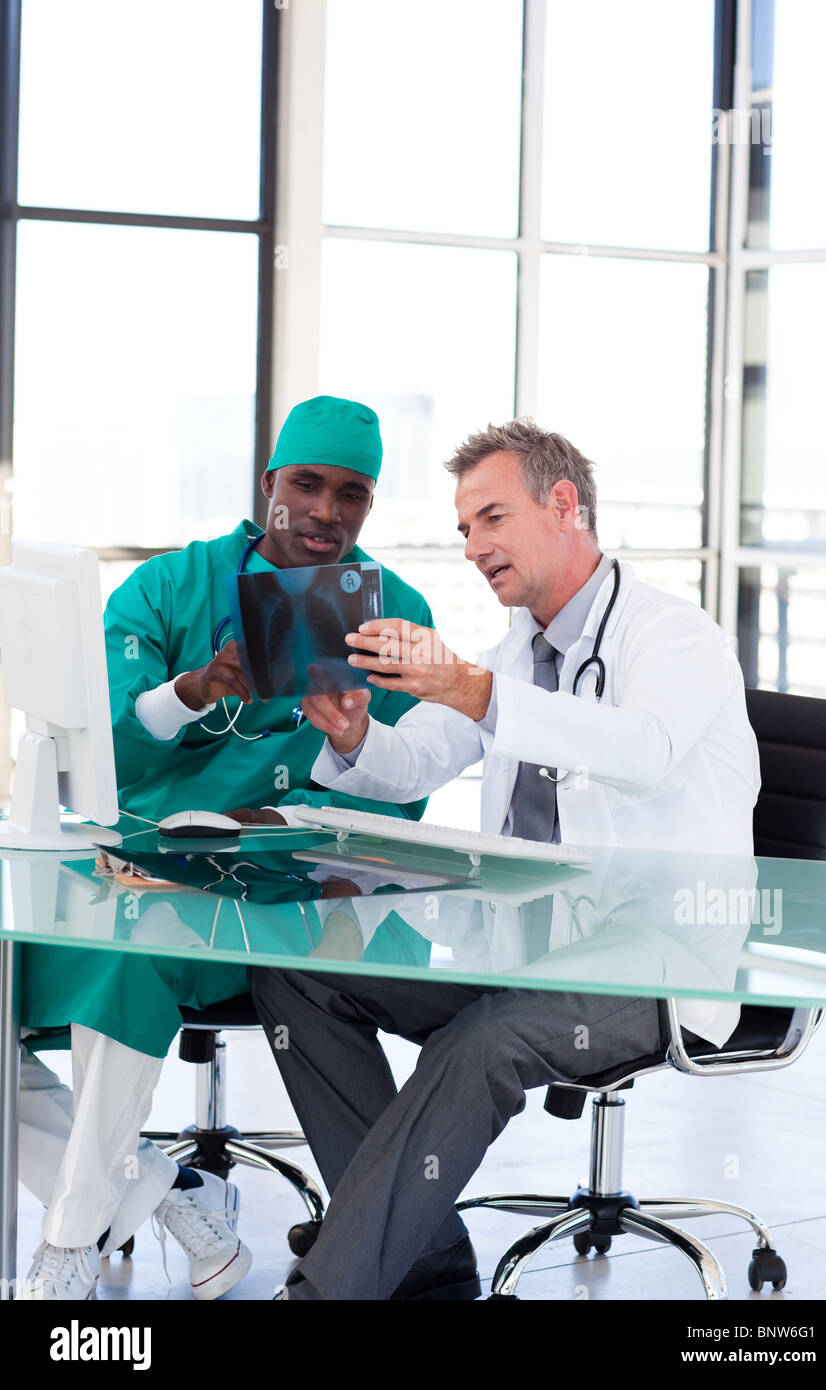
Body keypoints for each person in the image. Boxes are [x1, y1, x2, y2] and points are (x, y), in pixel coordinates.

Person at [248, 417, 761, 1300]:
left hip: (653, 964)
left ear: (564, 504)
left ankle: (331, 1287)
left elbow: (640, 750)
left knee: (483, 1041)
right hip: (524, 948)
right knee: (297, 975)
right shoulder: (515, 652)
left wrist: (480, 692)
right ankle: (422, 1253)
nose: (474, 548)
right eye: (463, 531)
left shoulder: (676, 637)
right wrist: (357, 734)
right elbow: (420, 759)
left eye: (491, 518)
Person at [17, 396, 435, 1300]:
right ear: (269, 487)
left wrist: (342, 758)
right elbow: (105, 738)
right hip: (128, 868)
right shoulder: (172, 587)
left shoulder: (391, 613)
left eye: (352, 495)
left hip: (281, 901)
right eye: (308, 485)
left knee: (130, 960)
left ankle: (66, 1247)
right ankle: (166, 1195)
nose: (327, 511)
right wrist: (198, 690)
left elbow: (409, 786)